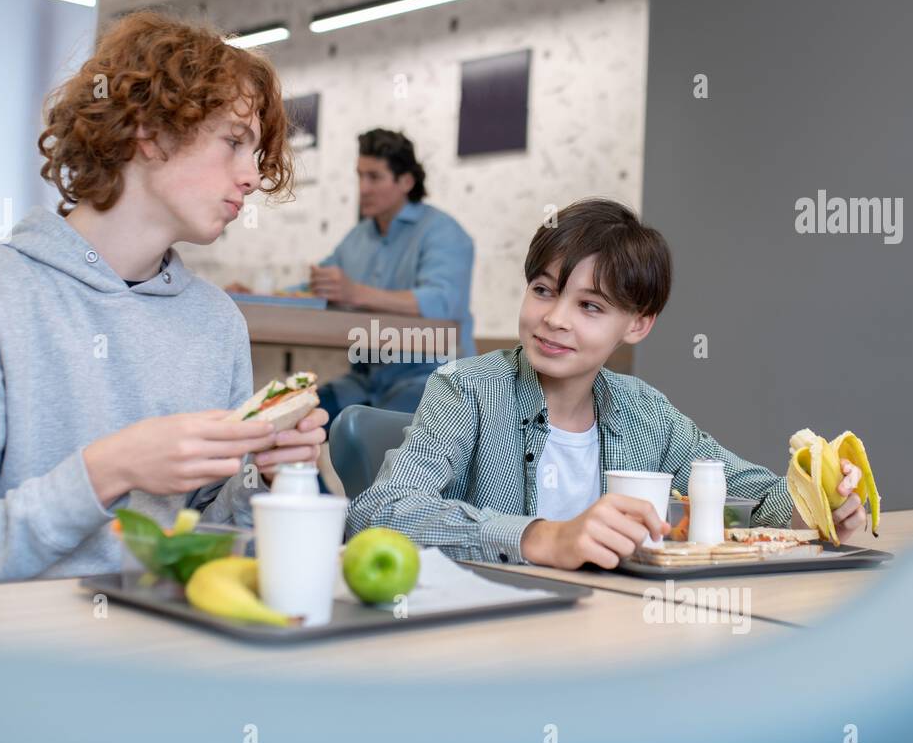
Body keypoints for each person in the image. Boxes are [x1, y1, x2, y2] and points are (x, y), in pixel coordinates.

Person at [0, 11, 328, 589]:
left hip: (167, 652)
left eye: (257, 154)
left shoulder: (216, 323)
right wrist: (106, 472)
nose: (251, 177)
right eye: (234, 142)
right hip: (15, 660)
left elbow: (210, 552)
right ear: (148, 131)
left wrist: (268, 481)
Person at [347, 199, 867, 569]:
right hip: (494, 644)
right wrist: (542, 538)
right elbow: (378, 515)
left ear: (638, 324)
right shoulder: (467, 390)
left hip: (611, 632)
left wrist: (812, 509)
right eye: (543, 290)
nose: (555, 318)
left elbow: (743, 495)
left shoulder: (645, 412)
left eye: (590, 306)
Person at [230, 128, 475, 423]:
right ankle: (305, 471)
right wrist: (259, 296)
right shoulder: (357, 238)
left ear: (406, 182)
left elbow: (442, 301)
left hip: (431, 380)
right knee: (285, 422)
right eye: (359, 176)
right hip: (365, 380)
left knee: (375, 445)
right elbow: (315, 288)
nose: (363, 188)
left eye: (374, 177)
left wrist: (355, 293)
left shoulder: (443, 232)